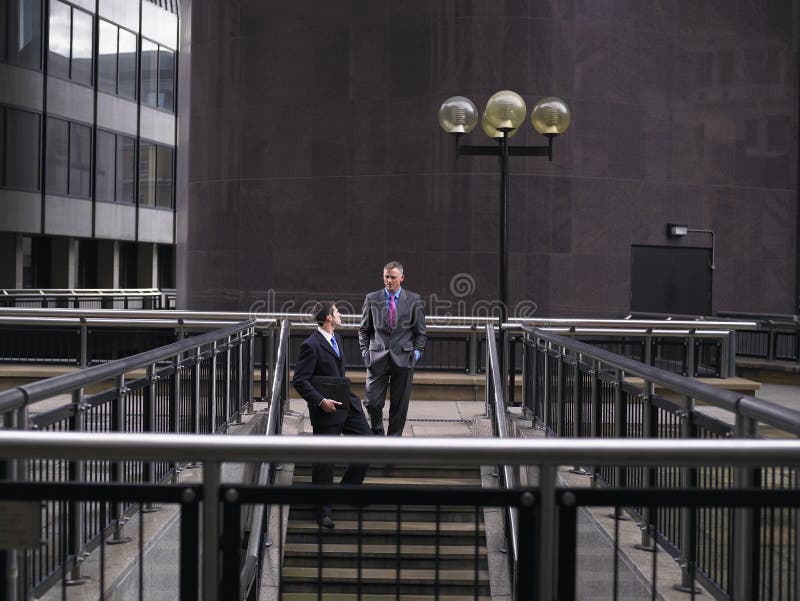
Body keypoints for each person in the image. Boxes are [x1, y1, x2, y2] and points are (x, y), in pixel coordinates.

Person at [293, 302, 372, 529]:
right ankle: (322, 509)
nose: (340, 315)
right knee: (325, 460)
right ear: (328, 317)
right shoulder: (311, 345)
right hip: (326, 407)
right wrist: (320, 401)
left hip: (346, 402)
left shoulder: (337, 339)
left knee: (368, 443)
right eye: (337, 312)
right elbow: (300, 380)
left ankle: (347, 491)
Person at [358, 261, 427, 436]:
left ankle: (393, 443)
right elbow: (364, 330)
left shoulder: (414, 300)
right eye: (386, 277)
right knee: (372, 402)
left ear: (401, 278)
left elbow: (421, 333)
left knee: (399, 406)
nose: (389, 280)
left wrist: (416, 355)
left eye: (393, 277)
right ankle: (378, 436)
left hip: (404, 360)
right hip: (376, 358)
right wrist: (366, 353)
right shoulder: (372, 298)